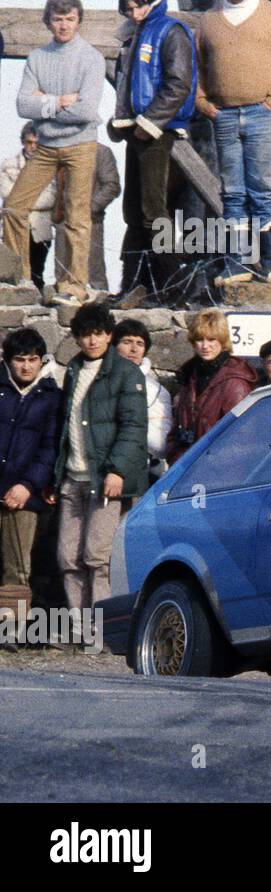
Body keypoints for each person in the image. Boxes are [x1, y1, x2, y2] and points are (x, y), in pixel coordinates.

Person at [196, 0, 271, 284]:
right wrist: (202, 102)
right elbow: (195, 68)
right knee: (233, 192)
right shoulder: (209, 21)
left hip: (263, 113)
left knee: (264, 189)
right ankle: (238, 263)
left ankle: (270, 263)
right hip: (224, 116)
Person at [53, 302, 147, 644]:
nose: (92, 341)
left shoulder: (126, 372)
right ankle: (80, 631)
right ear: (76, 338)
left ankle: (104, 633)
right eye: (85, 335)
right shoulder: (74, 370)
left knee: (97, 557)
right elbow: (65, 427)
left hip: (105, 480)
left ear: (109, 335)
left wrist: (117, 470)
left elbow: (134, 426)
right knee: (68, 557)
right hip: (72, 478)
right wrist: (56, 476)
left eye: (98, 334)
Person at [2, 0, 105, 307]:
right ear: (49, 22)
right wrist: (60, 101)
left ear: (79, 21)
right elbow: (22, 104)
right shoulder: (37, 57)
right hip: (46, 145)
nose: (64, 26)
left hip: (80, 144)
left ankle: (73, 286)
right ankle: (19, 279)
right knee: (15, 207)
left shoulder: (91, 58)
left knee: (76, 216)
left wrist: (42, 103)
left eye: (70, 19)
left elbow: (87, 112)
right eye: (58, 19)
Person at [108, 0, 197, 305]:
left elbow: (179, 83)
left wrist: (151, 122)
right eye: (128, 8)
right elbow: (126, 84)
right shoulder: (133, 34)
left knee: (154, 211)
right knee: (133, 209)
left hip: (158, 130)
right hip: (137, 129)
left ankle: (172, 288)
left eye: (139, 5)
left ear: (151, 0)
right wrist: (121, 121)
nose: (134, 13)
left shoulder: (170, 30)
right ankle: (132, 284)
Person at [0, 329, 61, 592]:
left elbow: (50, 448)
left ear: (41, 361)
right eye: (20, 359)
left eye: (33, 359)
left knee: (17, 570)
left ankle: (13, 631)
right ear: (8, 360)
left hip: (24, 494)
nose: (26, 366)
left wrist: (27, 485)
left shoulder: (51, 397)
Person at [166, 309, 257, 463]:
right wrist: (176, 457)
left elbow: (241, 440)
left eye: (211, 339)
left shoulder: (235, 383)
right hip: (187, 470)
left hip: (217, 472)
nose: (205, 346)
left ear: (222, 341)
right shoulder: (190, 376)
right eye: (199, 339)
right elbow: (177, 430)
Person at [111, 320, 172, 482]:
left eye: (140, 343)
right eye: (127, 342)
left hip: (140, 471)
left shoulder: (156, 391)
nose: (134, 349)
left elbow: (160, 444)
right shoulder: (97, 381)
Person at [53, 142, 119, 292]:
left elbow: (112, 185)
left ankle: (99, 311)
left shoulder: (101, 151)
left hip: (90, 223)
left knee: (94, 275)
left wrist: (89, 209)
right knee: (62, 277)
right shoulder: (59, 150)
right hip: (63, 222)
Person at [0, 124, 58, 286]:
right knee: (13, 271)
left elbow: (51, 196)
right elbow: (7, 193)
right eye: (29, 142)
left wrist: (22, 201)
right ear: (23, 142)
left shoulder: (51, 166)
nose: (32, 147)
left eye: (36, 143)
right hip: (15, 226)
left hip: (39, 228)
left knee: (37, 271)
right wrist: (27, 200)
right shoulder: (9, 165)